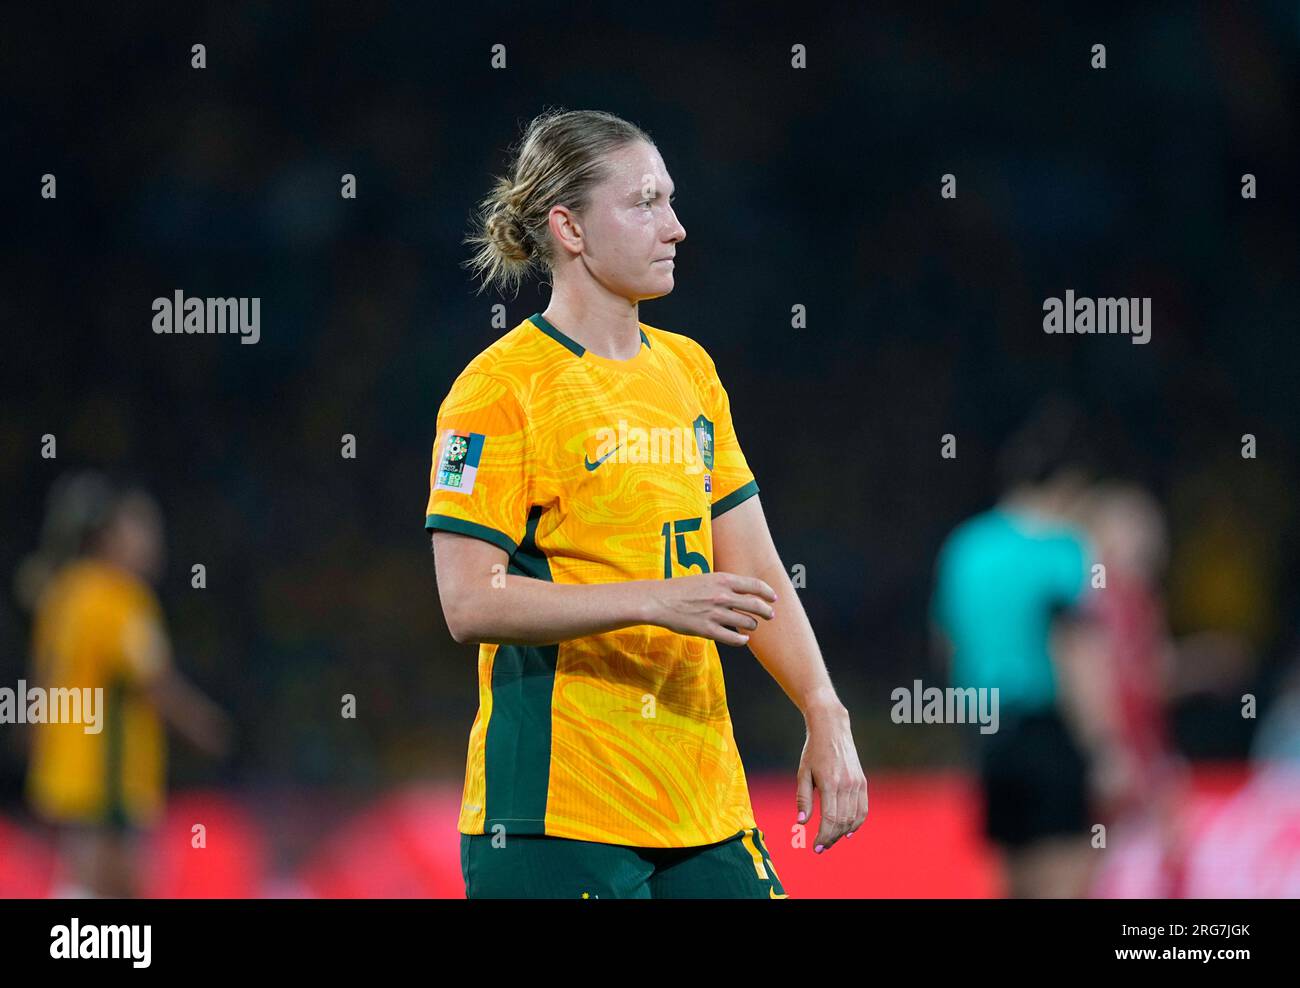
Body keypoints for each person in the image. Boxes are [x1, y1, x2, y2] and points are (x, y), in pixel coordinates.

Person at [427, 108, 866, 898]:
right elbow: (467, 601)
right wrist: (655, 600)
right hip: (556, 815)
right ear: (569, 227)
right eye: (645, 203)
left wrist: (821, 707)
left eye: (670, 200)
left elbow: (754, 566)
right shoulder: (499, 389)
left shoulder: (690, 372)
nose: (677, 227)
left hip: (703, 803)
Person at [17, 471, 232, 897]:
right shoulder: (119, 598)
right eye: (142, 528)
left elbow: (40, 685)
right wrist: (205, 724)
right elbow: (156, 682)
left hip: (69, 769)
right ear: (108, 537)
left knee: (91, 879)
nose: (153, 541)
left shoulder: (63, 594)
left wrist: (37, 750)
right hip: (108, 773)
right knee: (123, 886)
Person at [930, 398, 1099, 898]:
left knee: (1011, 881)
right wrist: (1101, 746)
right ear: (1067, 486)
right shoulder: (1063, 547)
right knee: (1066, 878)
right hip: (1050, 729)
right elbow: (1078, 651)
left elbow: (946, 643)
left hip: (988, 734)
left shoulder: (964, 546)